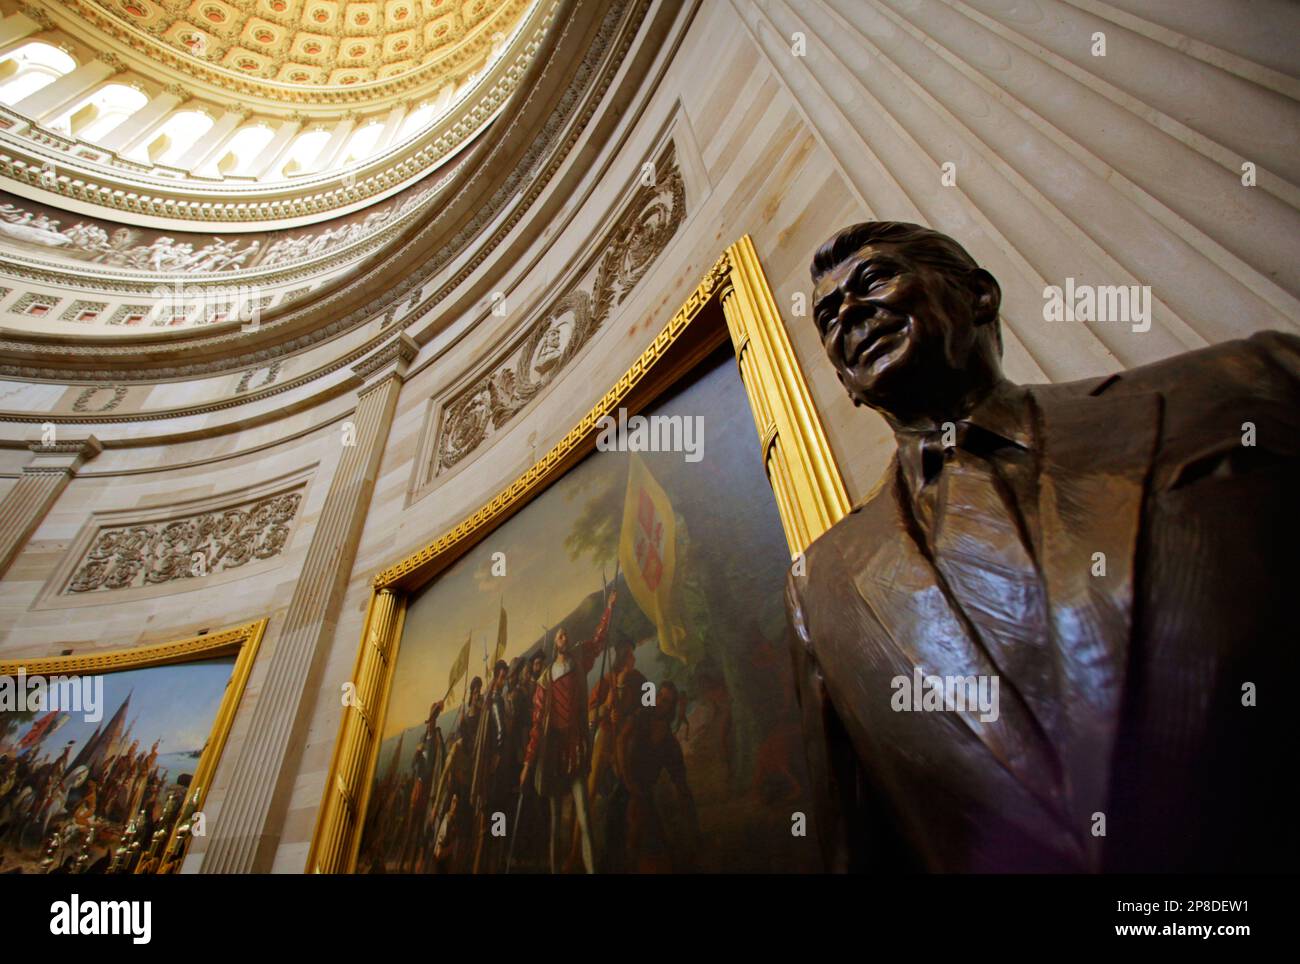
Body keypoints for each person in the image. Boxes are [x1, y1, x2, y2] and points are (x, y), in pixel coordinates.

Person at [787, 220, 1300, 873]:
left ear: (979, 295)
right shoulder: (820, 585)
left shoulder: (1243, 386)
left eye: (874, 280)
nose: (849, 314)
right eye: (828, 316)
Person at [519, 590, 618, 873]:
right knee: (555, 823)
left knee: (584, 816)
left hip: (575, 746)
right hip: (553, 751)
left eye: (565, 635)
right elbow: (537, 725)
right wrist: (527, 763)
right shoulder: (543, 681)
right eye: (560, 636)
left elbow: (599, 640)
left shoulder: (579, 658)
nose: (564, 638)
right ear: (555, 646)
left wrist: (609, 608)